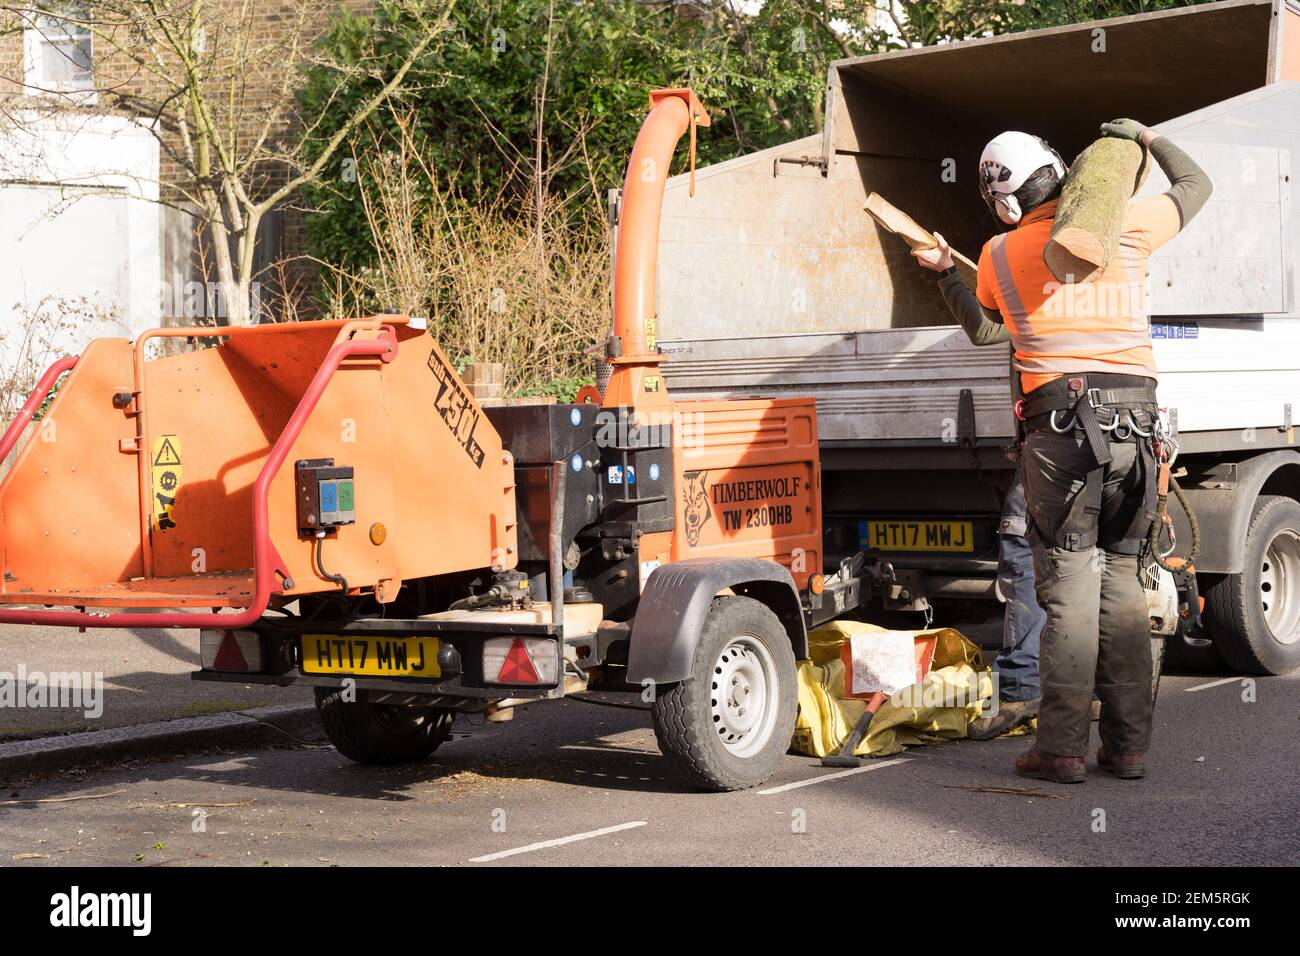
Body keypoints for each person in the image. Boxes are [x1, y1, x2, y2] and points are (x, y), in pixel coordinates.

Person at [913, 119, 1212, 783]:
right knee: (1126, 586)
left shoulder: (994, 256)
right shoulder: (1128, 227)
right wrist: (1147, 137)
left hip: (1062, 437)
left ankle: (1062, 750)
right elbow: (1197, 184)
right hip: (1139, 427)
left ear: (1005, 202)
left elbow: (989, 329)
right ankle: (1129, 748)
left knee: (1070, 589)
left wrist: (944, 274)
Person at [909, 246, 1044, 740]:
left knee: (1021, 555)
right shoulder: (1090, 285)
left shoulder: (1033, 279)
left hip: (1051, 448)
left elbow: (985, 330)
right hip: (1110, 440)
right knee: (1085, 570)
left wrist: (946, 272)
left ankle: (1021, 692)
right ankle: (1090, 693)